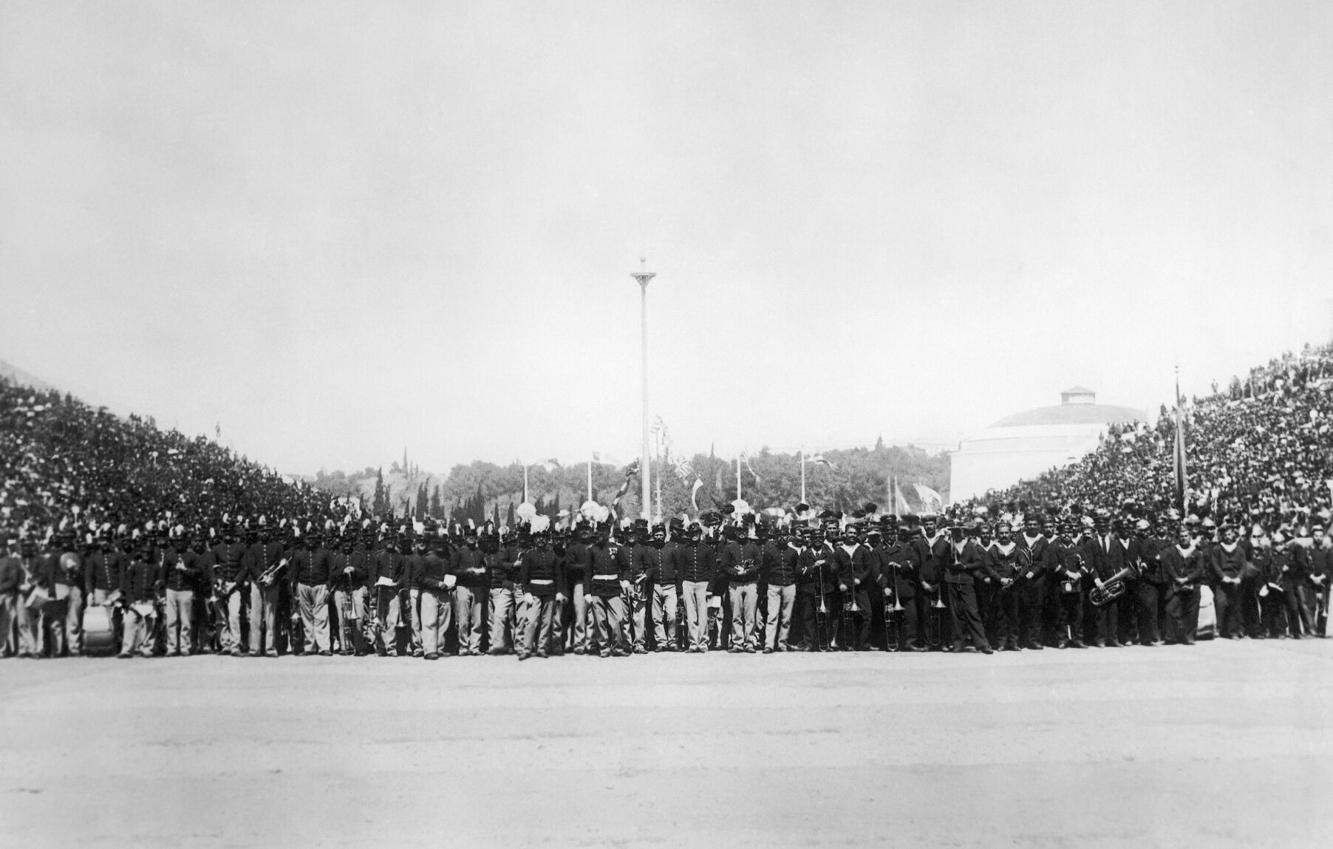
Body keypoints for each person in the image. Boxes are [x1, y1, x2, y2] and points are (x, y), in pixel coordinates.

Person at [517, 528, 565, 660]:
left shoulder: (552, 555)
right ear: (534, 539)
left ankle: (542, 648)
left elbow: (558, 576)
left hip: (549, 591)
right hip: (534, 592)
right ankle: (526, 649)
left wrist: (559, 591)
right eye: (538, 537)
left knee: (547, 622)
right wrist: (526, 592)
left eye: (543, 537)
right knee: (532, 621)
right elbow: (524, 576)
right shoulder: (528, 555)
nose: (541, 540)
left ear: (547, 539)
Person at [944, 523, 992, 654]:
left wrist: (965, 566)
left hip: (966, 581)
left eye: (959, 531)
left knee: (972, 612)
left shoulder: (969, 545)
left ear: (963, 532)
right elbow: (941, 561)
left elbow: (978, 562)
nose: (957, 534)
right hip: (952, 581)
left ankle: (982, 644)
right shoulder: (948, 545)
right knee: (955, 614)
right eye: (954, 532)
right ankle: (958, 643)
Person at [242, 522, 286, 657]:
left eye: (267, 531)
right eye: (262, 531)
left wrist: (273, 578)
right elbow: (251, 565)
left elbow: (282, 565)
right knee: (255, 616)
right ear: (259, 533)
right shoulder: (253, 547)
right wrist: (262, 577)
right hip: (257, 584)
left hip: (273, 584)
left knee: (271, 616)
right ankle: (254, 648)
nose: (264, 533)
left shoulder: (277, 546)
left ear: (271, 532)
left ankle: (270, 648)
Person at [586, 523, 628, 657]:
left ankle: (617, 647)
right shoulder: (591, 550)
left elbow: (626, 567)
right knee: (600, 621)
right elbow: (587, 573)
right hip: (597, 588)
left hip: (613, 587)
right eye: (599, 531)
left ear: (608, 532)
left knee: (618, 618)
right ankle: (603, 648)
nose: (601, 534)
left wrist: (625, 580)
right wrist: (587, 592)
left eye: (604, 531)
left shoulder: (617, 548)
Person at [290, 527, 332, 656]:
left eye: (313, 538)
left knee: (321, 617)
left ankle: (324, 647)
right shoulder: (298, 554)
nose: (311, 541)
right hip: (303, 586)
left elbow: (331, 572)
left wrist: (328, 588)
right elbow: (294, 574)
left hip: (320, 587)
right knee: (307, 618)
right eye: (308, 538)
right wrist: (295, 591)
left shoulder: (324, 553)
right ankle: (309, 647)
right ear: (304, 539)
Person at [719, 524, 761, 653]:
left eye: (744, 531)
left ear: (747, 532)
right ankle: (737, 641)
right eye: (739, 531)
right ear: (736, 533)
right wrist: (735, 572)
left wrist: (748, 571)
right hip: (735, 584)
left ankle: (749, 642)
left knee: (750, 614)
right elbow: (724, 566)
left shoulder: (753, 546)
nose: (742, 533)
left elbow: (760, 563)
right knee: (736, 614)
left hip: (750, 583)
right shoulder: (729, 547)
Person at [118, 541, 162, 658]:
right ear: (140, 553)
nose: (146, 554)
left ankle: (147, 648)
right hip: (136, 601)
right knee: (129, 623)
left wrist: (156, 600)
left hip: (150, 600)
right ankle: (127, 649)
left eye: (148, 552)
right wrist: (130, 600)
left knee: (150, 625)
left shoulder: (156, 567)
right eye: (143, 552)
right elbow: (128, 584)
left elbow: (160, 584)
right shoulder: (135, 567)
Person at [161, 526, 201, 656]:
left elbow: (198, 572)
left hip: (186, 590)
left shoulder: (191, 556)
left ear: (185, 541)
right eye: (177, 540)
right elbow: (163, 576)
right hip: (171, 590)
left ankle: (185, 646)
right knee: (171, 621)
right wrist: (164, 592)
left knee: (185, 621)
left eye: (181, 540)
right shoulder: (169, 556)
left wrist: (185, 570)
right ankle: (172, 647)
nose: (179, 543)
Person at [676, 522, 714, 653]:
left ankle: (703, 642)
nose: (694, 536)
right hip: (688, 583)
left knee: (703, 615)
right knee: (690, 615)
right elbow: (680, 571)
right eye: (692, 533)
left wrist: (710, 587)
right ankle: (693, 642)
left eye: (697, 533)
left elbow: (712, 570)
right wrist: (680, 590)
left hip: (703, 584)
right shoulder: (684, 550)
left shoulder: (707, 549)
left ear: (700, 534)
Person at [982, 522, 1021, 651]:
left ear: (1010, 533)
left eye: (1006, 533)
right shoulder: (993, 549)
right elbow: (988, 567)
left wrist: (1014, 579)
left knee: (1014, 614)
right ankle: (1001, 642)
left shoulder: (1017, 548)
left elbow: (1024, 566)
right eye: (1001, 533)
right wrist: (1000, 579)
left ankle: (1013, 642)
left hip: (1013, 586)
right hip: (998, 587)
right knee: (1000, 615)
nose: (1004, 535)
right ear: (997, 534)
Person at [761, 523, 799, 653]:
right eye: (779, 535)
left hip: (789, 585)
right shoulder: (769, 551)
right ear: (775, 537)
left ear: (788, 537)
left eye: (784, 535)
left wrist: (794, 585)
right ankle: (769, 644)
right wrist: (764, 589)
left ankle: (782, 643)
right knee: (772, 616)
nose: (782, 538)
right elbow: (765, 570)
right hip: (773, 585)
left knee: (786, 617)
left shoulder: (793, 553)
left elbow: (795, 570)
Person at [1161, 526, 1203, 645]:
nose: (1184, 538)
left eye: (1186, 536)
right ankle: (1171, 636)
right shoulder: (1172, 551)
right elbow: (1169, 566)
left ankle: (1189, 636)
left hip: (1192, 585)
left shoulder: (1197, 552)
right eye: (1181, 536)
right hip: (1177, 584)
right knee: (1170, 609)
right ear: (1178, 538)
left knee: (1192, 611)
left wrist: (1187, 579)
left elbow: (1199, 569)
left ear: (1190, 537)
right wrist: (1177, 578)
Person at [450, 527, 487, 656]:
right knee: (463, 619)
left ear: (476, 537)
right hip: (463, 586)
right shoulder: (459, 552)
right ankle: (463, 646)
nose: (471, 537)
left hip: (477, 587)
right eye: (469, 535)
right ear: (465, 537)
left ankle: (475, 647)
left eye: (473, 535)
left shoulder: (480, 553)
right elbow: (452, 570)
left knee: (477, 619)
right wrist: (466, 572)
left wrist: (482, 572)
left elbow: (486, 569)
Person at [640, 524, 677, 652]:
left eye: (661, 535)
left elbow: (678, 567)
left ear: (665, 535)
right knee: (656, 617)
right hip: (655, 586)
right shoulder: (649, 550)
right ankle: (661, 642)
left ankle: (672, 641)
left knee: (672, 615)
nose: (659, 537)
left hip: (670, 586)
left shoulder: (671, 549)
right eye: (656, 535)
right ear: (653, 536)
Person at [1015, 515, 1048, 650]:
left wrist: (1033, 572)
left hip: (1037, 579)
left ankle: (1034, 639)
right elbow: (1016, 557)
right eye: (1030, 524)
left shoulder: (1043, 540)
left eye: (1035, 524)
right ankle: (1022, 639)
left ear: (1038, 526)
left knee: (1036, 609)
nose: (1032, 526)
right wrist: (1023, 572)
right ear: (1025, 525)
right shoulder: (1018, 539)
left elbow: (1044, 561)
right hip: (1022, 578)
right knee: (1021, 608)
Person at [1210, 523, 1247, 638]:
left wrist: (1239, 578)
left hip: (1235, 580)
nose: (1227, 536)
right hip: (1222, 580)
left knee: (1234, 605)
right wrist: (1222, 576)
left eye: (1230, 534)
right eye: (1225, 534)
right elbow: (1214, 564)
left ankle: (1232, 631)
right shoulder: (1217, 549)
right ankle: (1218, 629)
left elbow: (1243, 566)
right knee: (1220, 603)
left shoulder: (1239, 550)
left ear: (1234, 535)